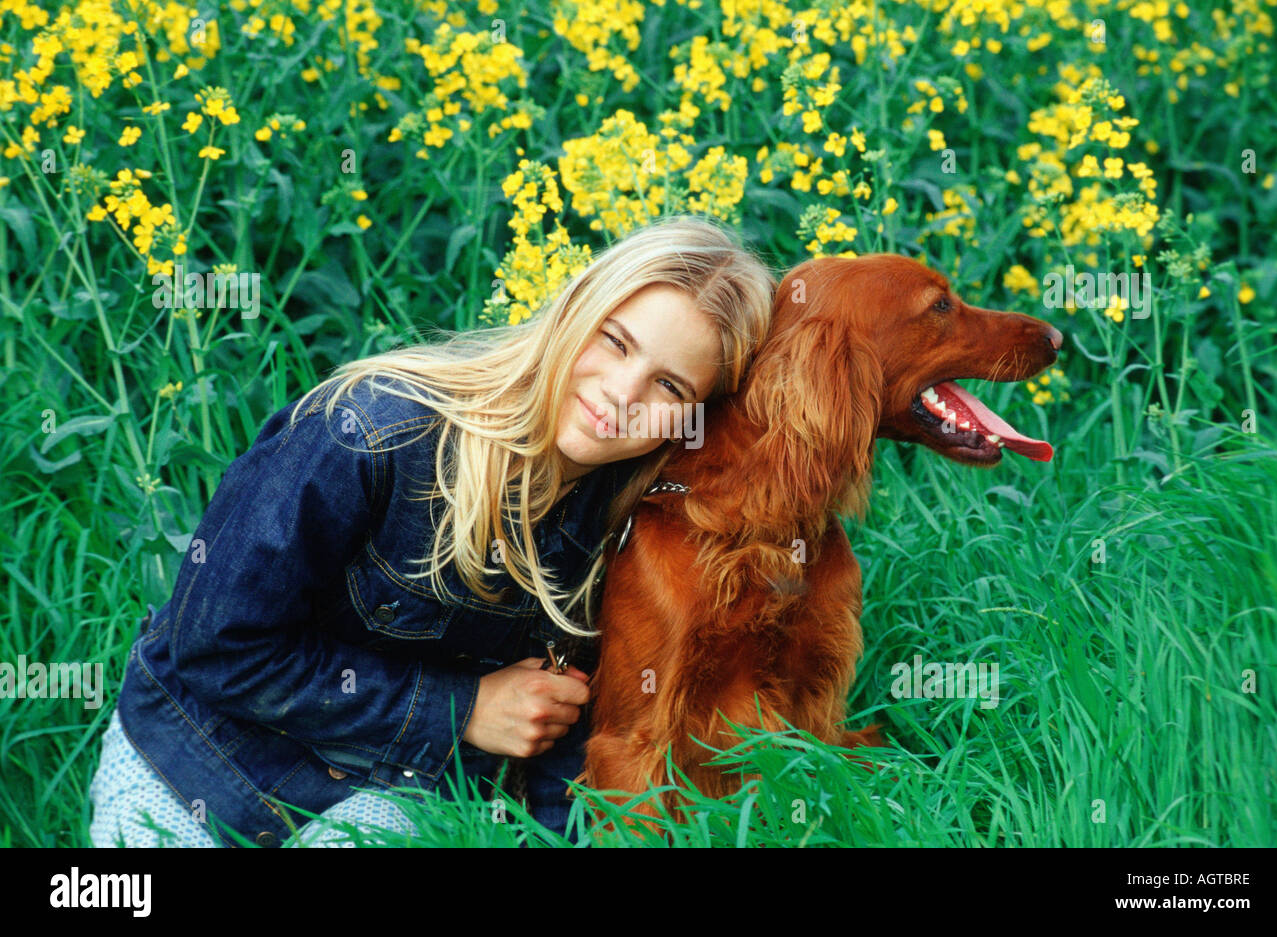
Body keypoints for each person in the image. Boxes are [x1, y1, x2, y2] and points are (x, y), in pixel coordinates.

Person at [87, 214, 776, 847]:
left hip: (384, 790)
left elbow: (565, 746)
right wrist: (461, 708)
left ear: (695, 419)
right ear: (574, 312)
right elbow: (212, 648)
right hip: (197, 755)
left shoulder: (624, 531)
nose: (621, 396)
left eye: (670, 388)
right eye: (616, 341)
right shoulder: (367, 433)